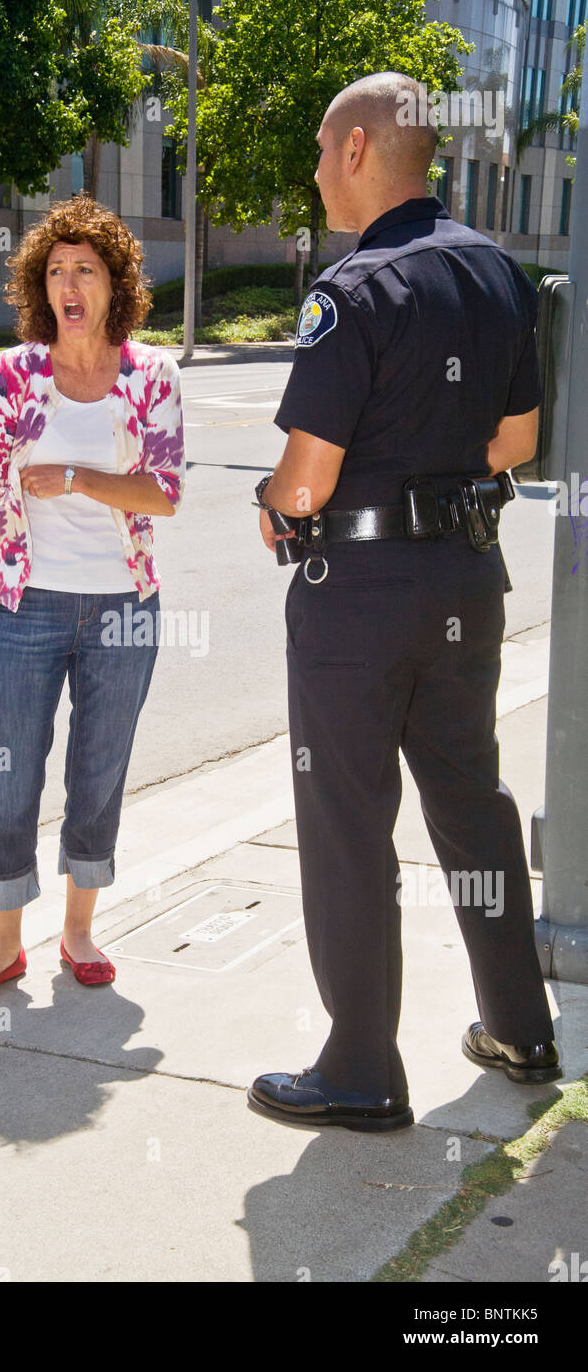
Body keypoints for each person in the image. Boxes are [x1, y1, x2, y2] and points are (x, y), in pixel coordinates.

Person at [246, 72, 561, 1133]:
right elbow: (514, 443)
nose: (315, 172)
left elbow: (305, 480)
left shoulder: (356, 286)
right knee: (471, 803)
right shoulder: (496, 273)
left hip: (358, 596)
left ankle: (359, 1069)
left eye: (318, 150)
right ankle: (520, 1024)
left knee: (347, 825)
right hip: (466, 582)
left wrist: (272, 501)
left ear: (352, 150)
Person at [0, 193, 184, 1001]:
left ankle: (78, 929)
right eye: (55, 271)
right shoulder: (11, 376)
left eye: (85, 269)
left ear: (116, 285)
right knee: (4, 777)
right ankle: (4, 943)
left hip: (122, 605)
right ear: (41, 289)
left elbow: (165, 493)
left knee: (99, 772)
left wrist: (77, 478)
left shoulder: (152, 376)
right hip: (25, 604)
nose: (69, 283)